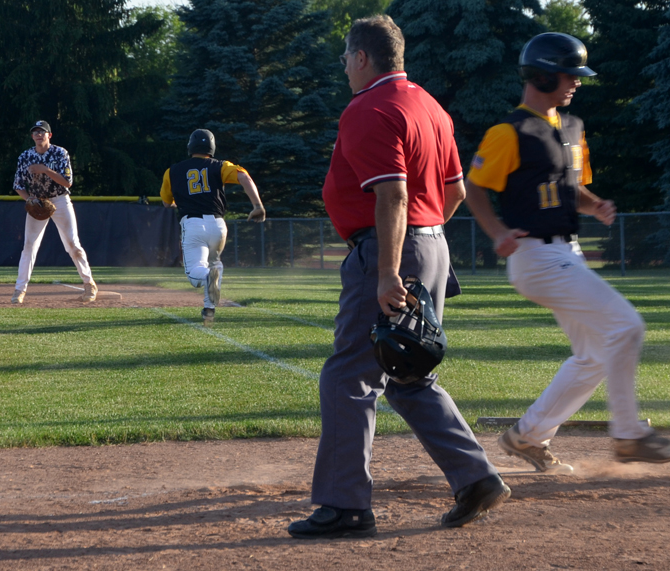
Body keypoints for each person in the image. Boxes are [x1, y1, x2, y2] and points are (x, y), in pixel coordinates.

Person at [288, 15, 510, 540]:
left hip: (391, 249)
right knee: (408, 372)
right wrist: (421, 241)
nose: (344, 66)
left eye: (346, 56)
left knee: (348, 376)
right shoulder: (430, 105)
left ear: (363, 57)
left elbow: (391, 194)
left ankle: (345, 506)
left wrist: (390, 270)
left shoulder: (369, 107)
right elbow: (453, 191)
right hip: (432, 244)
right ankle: (476, 478)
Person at [464, 32, 670, 474]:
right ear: (544, 73)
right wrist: (496, 232)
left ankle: (528, 436)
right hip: (535, 257)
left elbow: (571, 187)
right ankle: (629, 436)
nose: (577, 82)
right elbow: (474, 189)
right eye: (570, 74)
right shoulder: (508, 132)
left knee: (593, 356)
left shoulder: (572, 127)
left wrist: (595, 204)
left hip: (568, 253)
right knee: (627, 327)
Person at [160, 129, 265, 324]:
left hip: (193, 224)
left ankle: (208, 282)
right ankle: (209, 309)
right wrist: (258, 206)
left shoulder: (173, 171)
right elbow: (244, 177)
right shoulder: (220, 165)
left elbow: (167, 203)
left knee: (195, 274)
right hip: (218, 225)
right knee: (215, 263)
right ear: (212, 147)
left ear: (190, 146)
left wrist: (180, 202)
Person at [12, 120, 96, 304]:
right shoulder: (25, 156)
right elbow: (18, 185)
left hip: (60, 200)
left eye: (42, 132)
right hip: (37, 202)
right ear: (32, 136)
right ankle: (19, 290)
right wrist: (29, 199)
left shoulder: (60, 153)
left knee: (73, 244)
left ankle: (89, 283)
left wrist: (45, 170)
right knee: (29, 246)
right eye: (35, 132)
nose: (38, 134)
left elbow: (67, 182)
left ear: (49, 135)